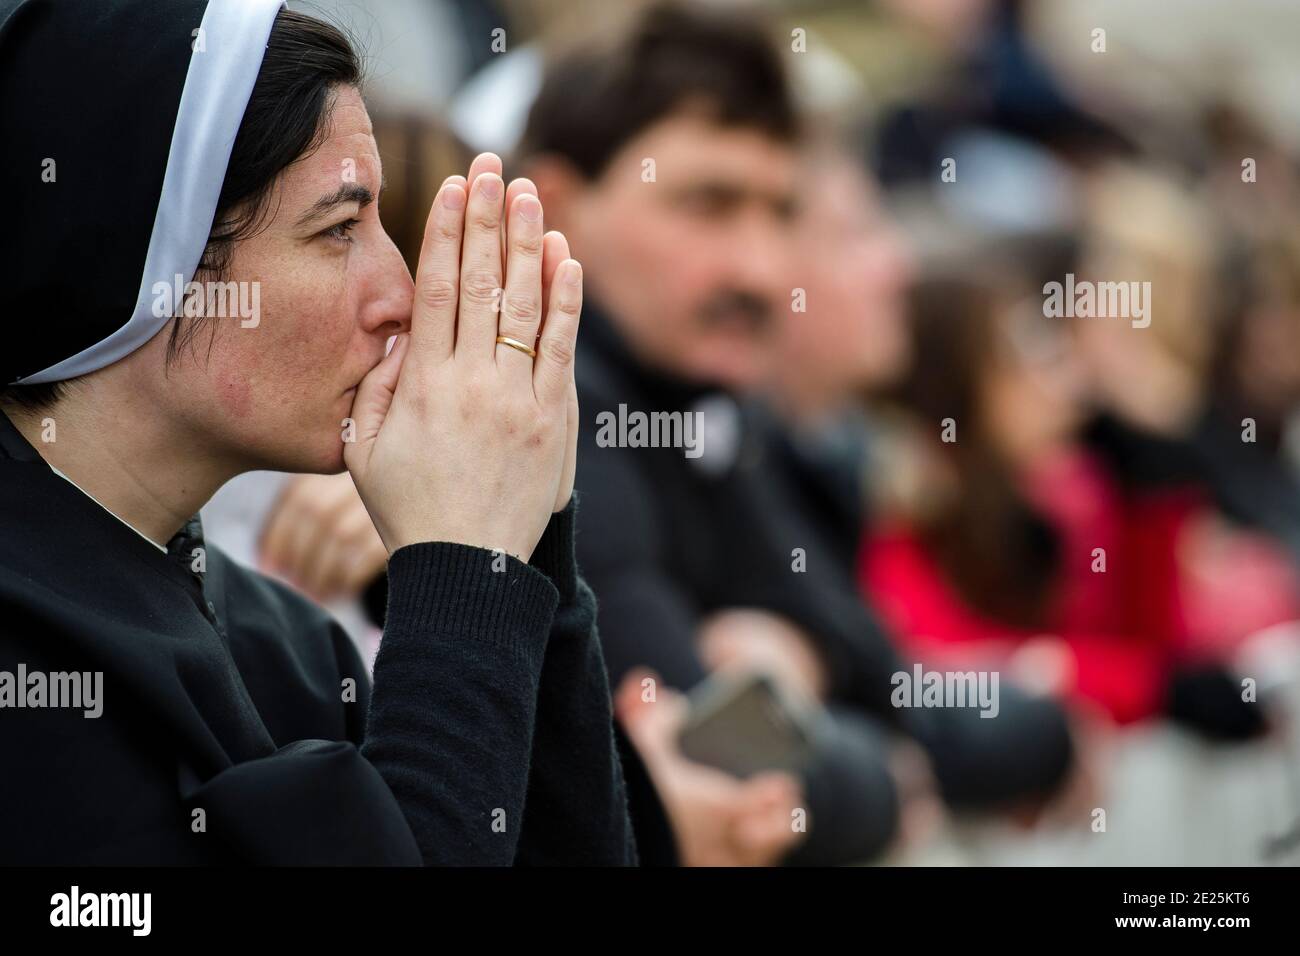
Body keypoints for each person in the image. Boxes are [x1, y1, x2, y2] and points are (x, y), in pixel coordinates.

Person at [0, 0, 638, 865]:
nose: (400, 296)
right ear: (152, 258)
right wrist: (457, 572)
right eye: (339, 229)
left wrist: (524, 549)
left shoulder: (280, 643)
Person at [518, 1, 1076, 862]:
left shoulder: (705, 412)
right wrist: (876, 771)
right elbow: (736, 767)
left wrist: (808, 682)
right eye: (709, 204)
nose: (762, 268)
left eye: (780, 213)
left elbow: (890, 689)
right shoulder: (553, 417)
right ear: (557, 204)